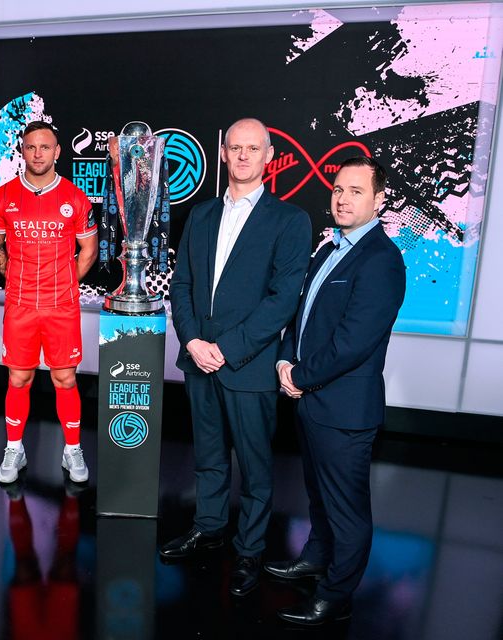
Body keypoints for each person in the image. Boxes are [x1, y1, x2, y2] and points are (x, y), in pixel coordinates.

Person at [163, 118, 312, 596]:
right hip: (198, 359)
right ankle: (209, 527)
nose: (244, 156)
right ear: (223, 152)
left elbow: (282, 300)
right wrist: (191, 342)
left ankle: (249, 551)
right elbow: (181, 284)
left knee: (255, 466)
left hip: (246, 365)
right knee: (207, 457)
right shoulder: (201, 215)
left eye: (254, 148)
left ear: (270, 156)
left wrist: (225, 350)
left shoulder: (290, 221)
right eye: (236, 147)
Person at [266, 156, 405, 625]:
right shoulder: (330, 249)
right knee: (319, 496)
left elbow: (352, 342)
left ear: (379, 200)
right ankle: (315, 559)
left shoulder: (382, 261)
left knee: (347, 510)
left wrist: (299, 377)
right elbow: (300, 316)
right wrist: (286, 358)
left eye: (356, 191)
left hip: (343, 409)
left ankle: (335, 595)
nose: (343, 199)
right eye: (338, 190)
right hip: (311, 400)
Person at [0, 120, 98, 485]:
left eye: (45, 147)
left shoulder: (74, 197)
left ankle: (72, 449)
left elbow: (89, 249)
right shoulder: (3, 196)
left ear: (57, 152)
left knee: (65, 378)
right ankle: (14, 448)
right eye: (31, 147)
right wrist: (15, 276)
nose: (38, 154)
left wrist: (62, 284)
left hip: (61, 305)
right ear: (23, 150)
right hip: (19, 305)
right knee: (19, 377)